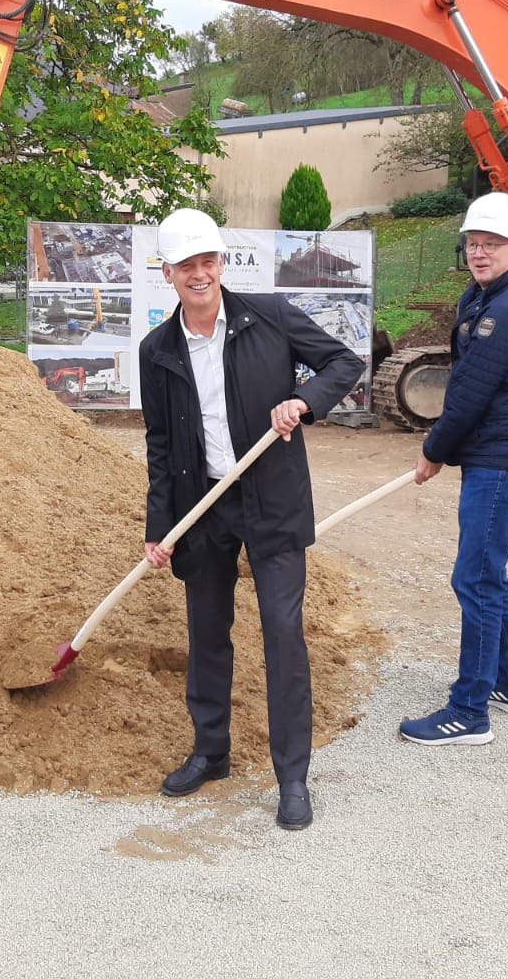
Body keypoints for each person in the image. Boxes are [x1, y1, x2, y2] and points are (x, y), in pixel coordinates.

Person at [138, 208, 363, 831]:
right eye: (187, 265)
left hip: (271, 496)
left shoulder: (269, 315)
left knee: (283, 634)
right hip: (201, 505)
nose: (200, 273)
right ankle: (211, 751)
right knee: (207, 634)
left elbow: (345, 363)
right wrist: (160, 526)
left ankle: (293, 776)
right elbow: (160, 443)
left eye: (208, 261)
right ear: (169, 273)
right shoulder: (157, 350)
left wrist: (304, 400)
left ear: (220, 264)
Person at [399, 192, 508, 745]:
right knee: (489, 573)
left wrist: (433, 451)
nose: (480, 253)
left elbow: (468, 395)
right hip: (500, 454)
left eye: (492, 246)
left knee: (473, 577)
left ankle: (469, 710)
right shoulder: (490, 296)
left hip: (502, 462)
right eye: (474, 244)